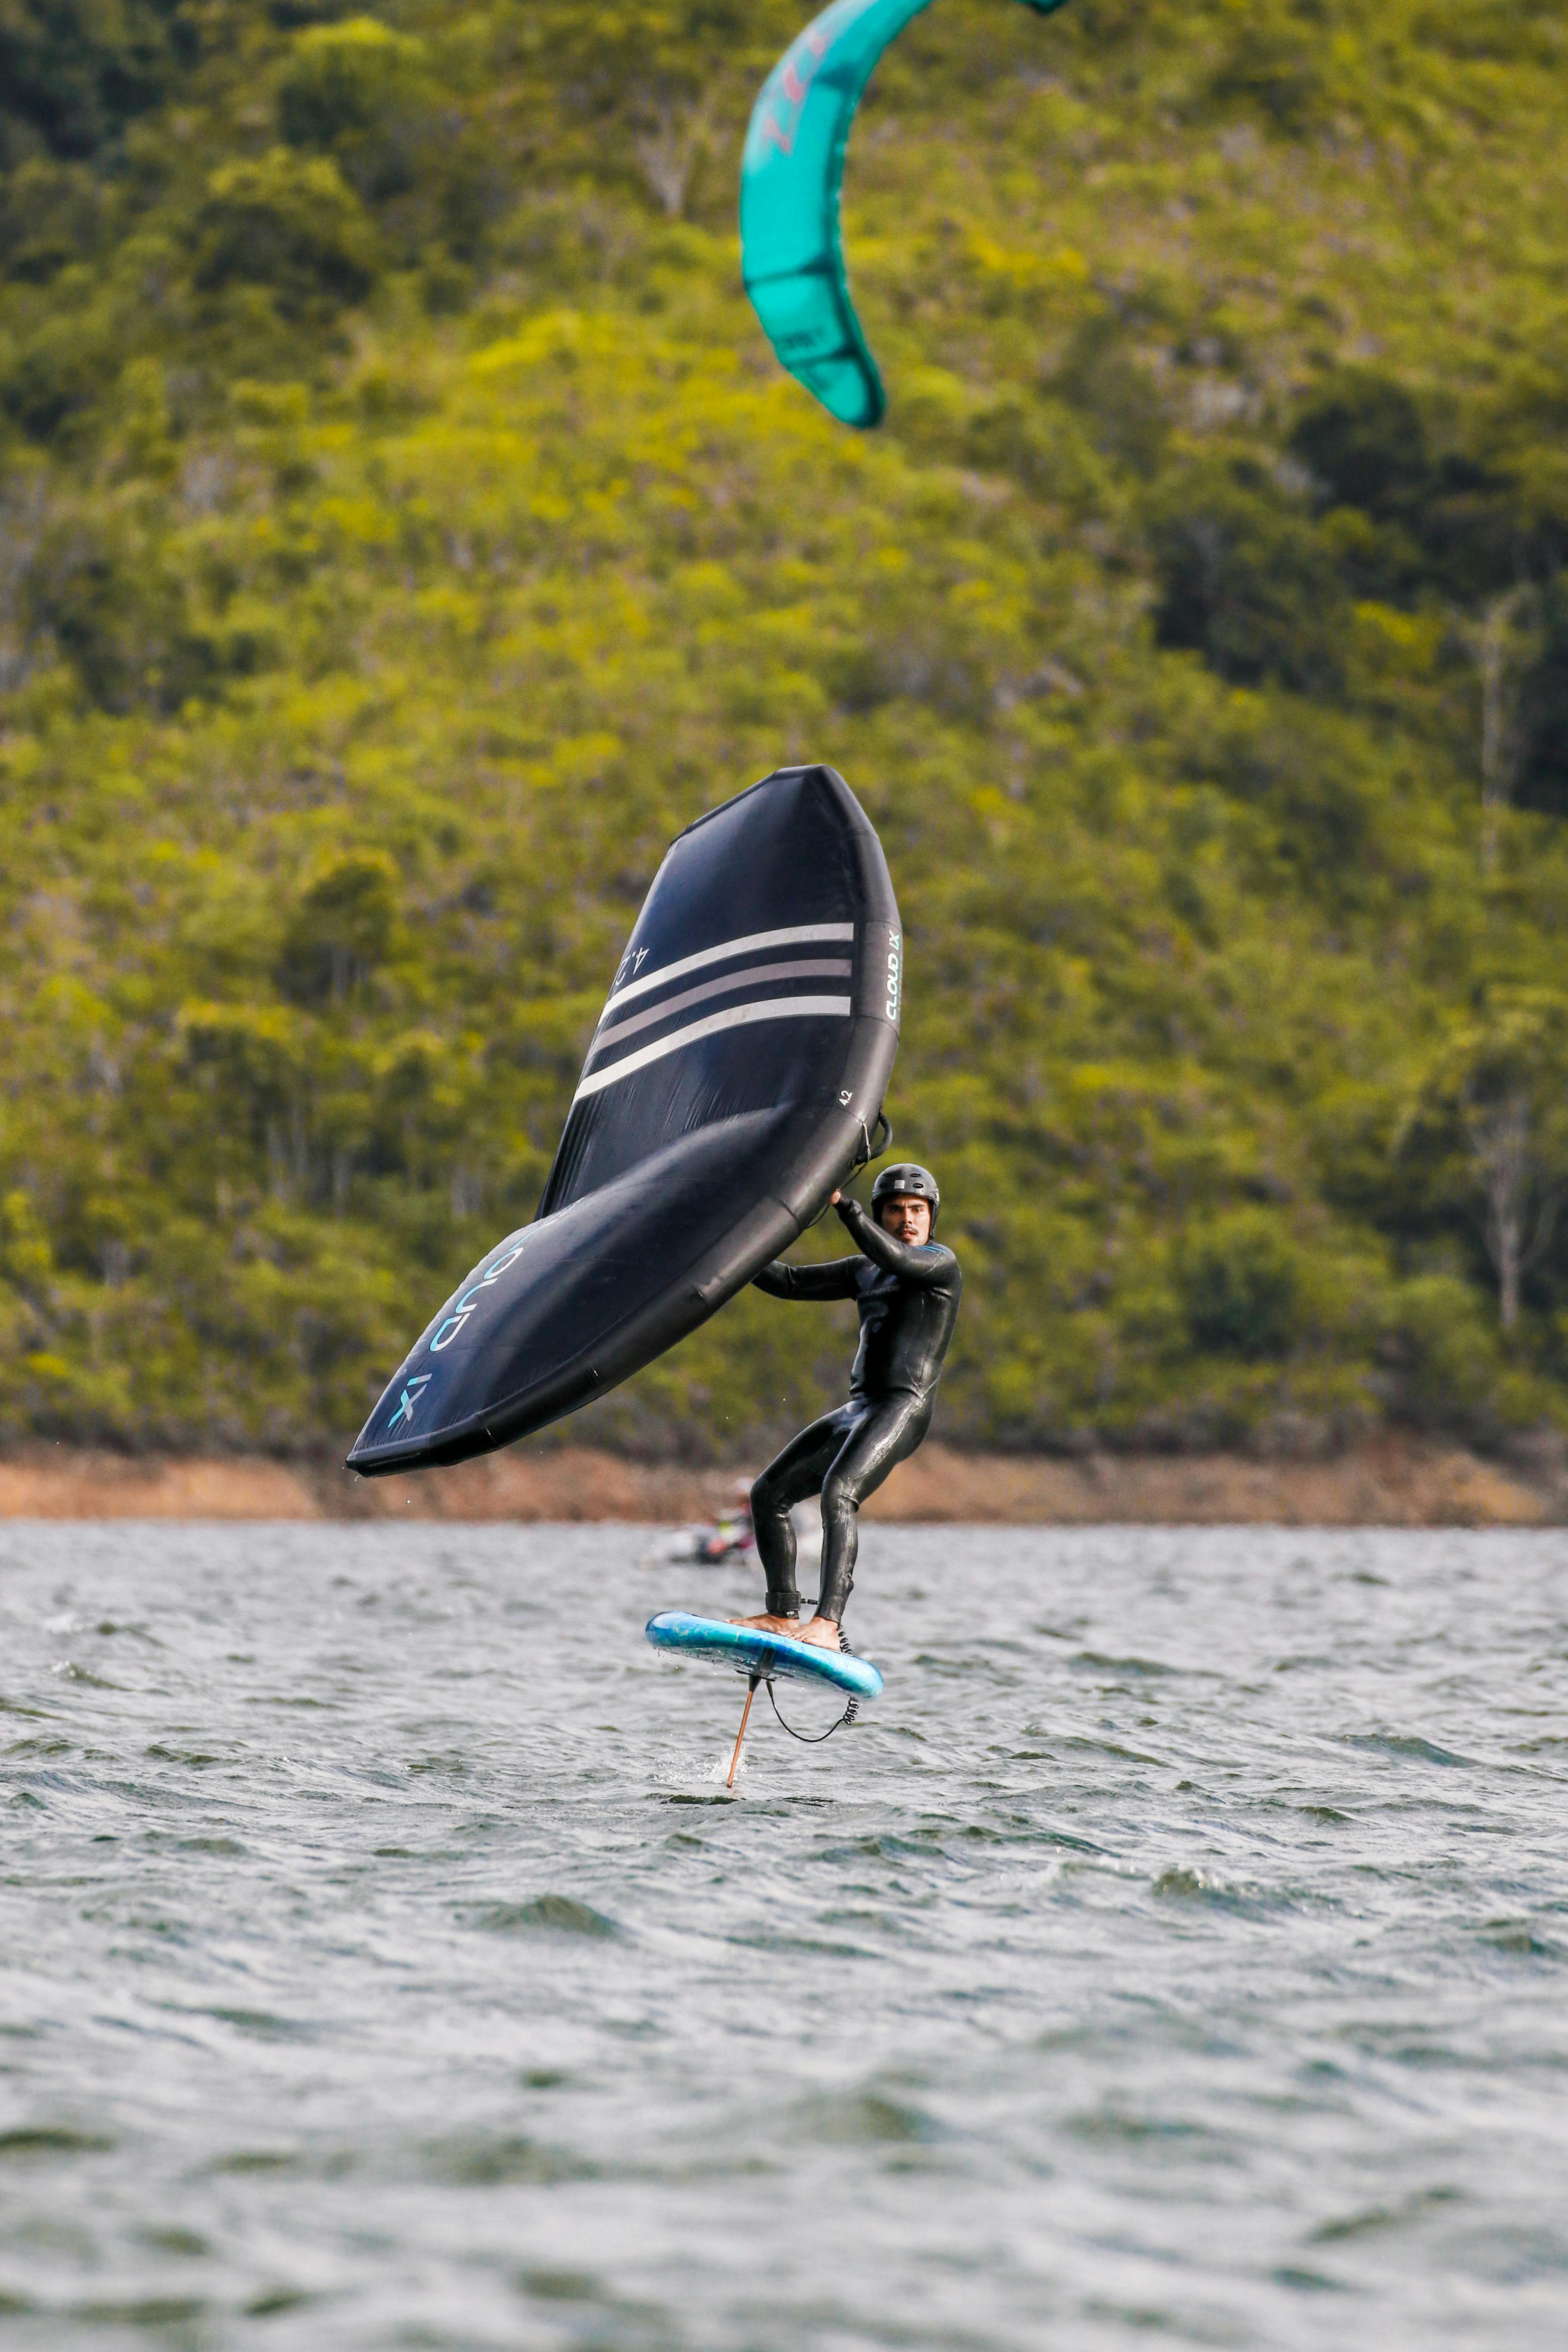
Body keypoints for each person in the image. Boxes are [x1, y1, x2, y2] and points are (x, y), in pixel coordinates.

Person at [735, 1163, 961, 1651]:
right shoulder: (865, 1270)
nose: (907, 1219)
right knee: (767, 1494)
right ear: (882, 1216)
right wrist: (734, 1247)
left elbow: (898, 1259)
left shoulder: (939, 1264)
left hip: (904, 1406)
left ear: (931, 1217)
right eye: (897, 1210)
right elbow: (789, 1281)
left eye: (917, 1210)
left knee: (839, 1491)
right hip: (860, 1407)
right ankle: (781, 1612)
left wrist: (842, 1205)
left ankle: (827, 1625)